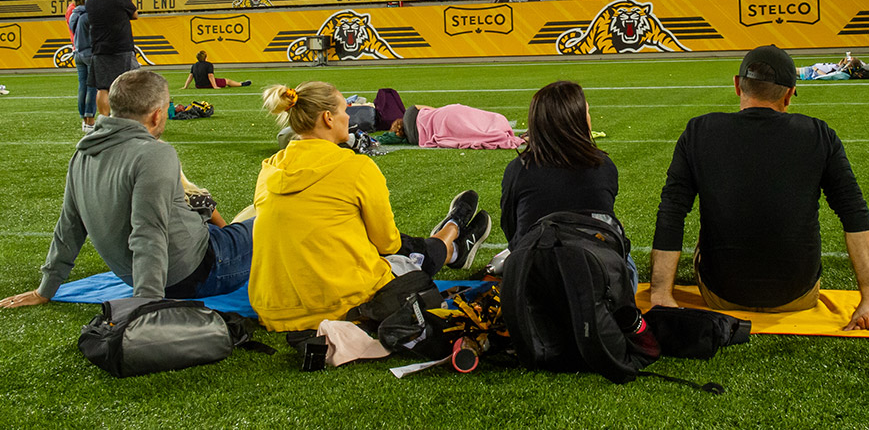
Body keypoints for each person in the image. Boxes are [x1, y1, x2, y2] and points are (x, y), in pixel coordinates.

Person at [650, 44, 869, 332]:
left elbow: (672, 212)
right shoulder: (819, 134)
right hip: (797, 296)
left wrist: (661, 295)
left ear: (738, 86)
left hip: (720, 296)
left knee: (704, 227)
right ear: (788, 94)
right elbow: (854, 213)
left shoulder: (699, 131)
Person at [250, 81, 493, 332]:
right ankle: (452, 236)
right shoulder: (355, 168)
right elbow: (388, 244)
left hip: (271, 308)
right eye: (345, 110)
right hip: (338, 306)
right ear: (328, 118)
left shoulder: (269, 169)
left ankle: (452, 238)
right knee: (407, 257)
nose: (348, 116)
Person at [0, 71, 253, 309]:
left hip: (148, 273)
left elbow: (69, 228)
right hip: (197, 271)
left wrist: (45, 290)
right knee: (274, 220)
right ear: (156, 115)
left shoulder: (83, 154)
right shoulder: (154, 154)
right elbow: (148, 234)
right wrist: (147, 307)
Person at [500, 80, 637, 290]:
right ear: (577, 121)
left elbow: (511, 229)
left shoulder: (517, 169)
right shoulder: (603, 165)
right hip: (596, 282)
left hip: (535, 283)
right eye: (587, 112)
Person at [85, 0, 138, 118]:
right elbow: (135, 15)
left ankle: (104, 121)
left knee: (102, 88)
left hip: (100, 48)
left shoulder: (90, 0)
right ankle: (126, 119)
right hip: (122, 48)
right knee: (127, 86)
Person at [391, 103, 523, 150]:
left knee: (473, 132)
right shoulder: (410, 111)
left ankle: (501, 136)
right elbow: (432, 109)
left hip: (443, 126)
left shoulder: (414, 139)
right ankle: (501, 125)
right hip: (446, 113)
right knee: (480, 118)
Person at [67, 0, 97, 132]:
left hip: (77, 52)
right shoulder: (89, 13)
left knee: (82, 86)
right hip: (89, 53)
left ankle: (84, 120)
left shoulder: (73, 13)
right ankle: (90, 120)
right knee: (92, 87)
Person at [182, 50, 251, 90]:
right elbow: (210, 76)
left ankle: (238, 84)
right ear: (205, 57)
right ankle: (241, 84)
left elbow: (190, 76)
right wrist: (215, 86)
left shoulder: (194, 65)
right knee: (227, 81)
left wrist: (185, 86)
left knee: (225, 82)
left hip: (198, 85)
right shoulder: (208, 64)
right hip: (208, 84)